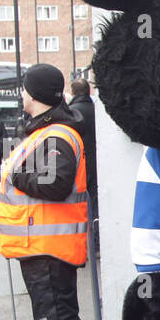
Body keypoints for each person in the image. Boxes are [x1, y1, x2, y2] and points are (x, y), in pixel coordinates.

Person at [0, 63, 90, 320]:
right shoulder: (49, 131)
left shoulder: (57, 135)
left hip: (48, 247)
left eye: (24, 89)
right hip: (43, 245)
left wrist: (18, 176)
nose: (21, 95)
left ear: (35, 94)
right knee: (56, 319)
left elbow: (55, 184)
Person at [67, 77, 98, 243]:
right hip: (96, 161)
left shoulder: (71, 112)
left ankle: (82, 239)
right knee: (94, 199)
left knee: (78, 200)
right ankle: (96, 238)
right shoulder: (96, 110)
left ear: (72, 92)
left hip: (80, 162)